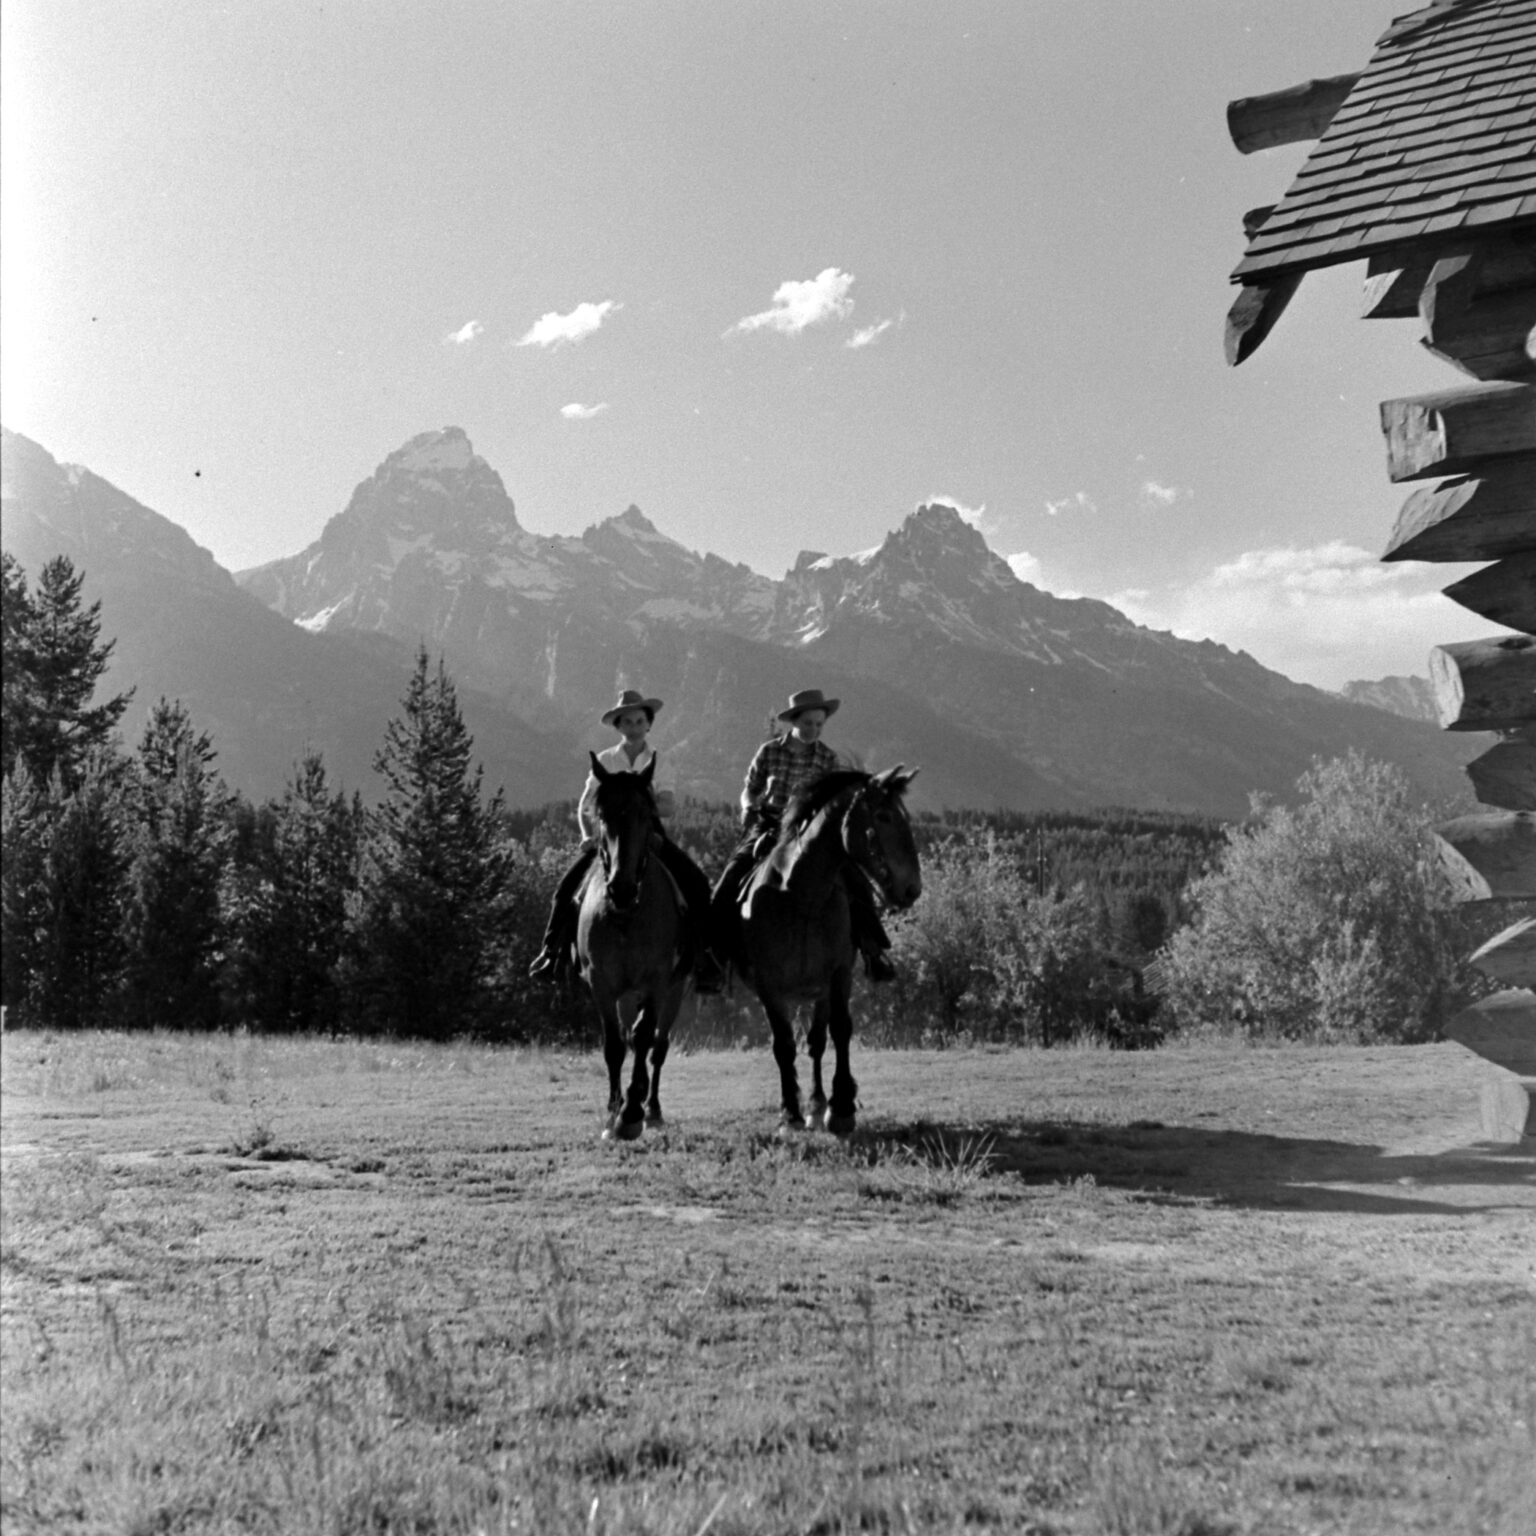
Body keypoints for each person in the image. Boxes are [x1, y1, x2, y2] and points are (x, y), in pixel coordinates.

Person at [529, 689, 723, 990]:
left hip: (651, 836)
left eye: (639, 721)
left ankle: (704, 957)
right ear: (618, 727)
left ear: (649, 725)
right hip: (609, 838)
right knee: (565, 888)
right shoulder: (605, 760)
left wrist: (639, 805)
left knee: (696, 883)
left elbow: (668, 806)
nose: (633, 727)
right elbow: (585, 807)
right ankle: (551, 953)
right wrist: (586, 836)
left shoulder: (661, 761)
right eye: (627, 722)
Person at [710, 688, 895, 982]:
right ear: (794, 721)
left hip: (810, 833)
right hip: (769, 826)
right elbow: (751, 788)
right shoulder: (769, 751)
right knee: (731, 877)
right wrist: (747, 806)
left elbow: (836, 804)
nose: (814, 729)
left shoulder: (827, 759)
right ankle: (713, 957)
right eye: (808, 723)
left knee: (857, 883)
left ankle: (873, 952)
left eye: (819, 724)